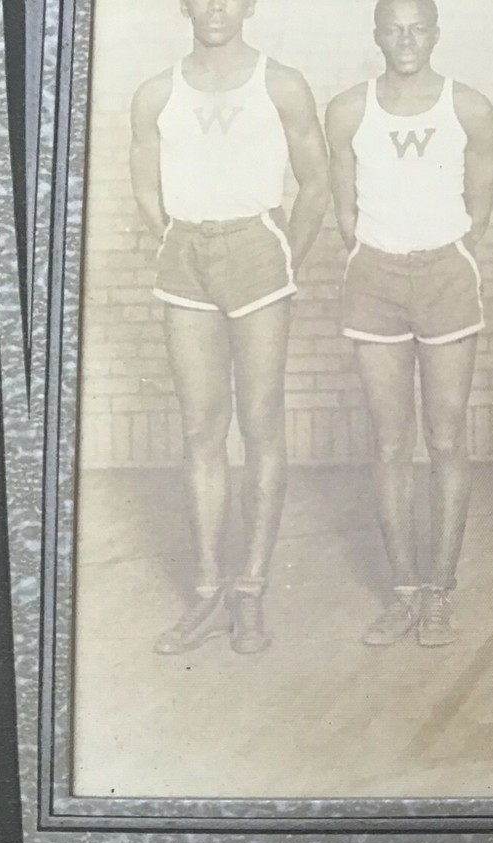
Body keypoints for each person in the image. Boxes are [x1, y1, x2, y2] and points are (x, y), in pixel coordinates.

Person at [130, 0, 329, 655]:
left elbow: (317, 182)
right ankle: (210, 590)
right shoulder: (157, 92)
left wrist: (281, 257)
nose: (216, 5)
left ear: (249, 5)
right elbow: (146, 188)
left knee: (261, 421)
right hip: (187, 256)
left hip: (257, 252)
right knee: (199, 427)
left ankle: (251, 589)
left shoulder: (282, 83)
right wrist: (182, 241)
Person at [325, 0, 493, 648]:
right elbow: (344, 210)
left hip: (446, 275)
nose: (405, 40)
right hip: (374, 277)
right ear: (377, 35)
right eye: (393, 29)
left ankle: (440, 592)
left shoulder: (468, 106)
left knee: (447, 437)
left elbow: (481, 202)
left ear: (435, 33)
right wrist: (384, 252)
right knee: (391, 442)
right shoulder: (348, 109)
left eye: (417, 28)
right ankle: (402, 590)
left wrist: (442, 252)